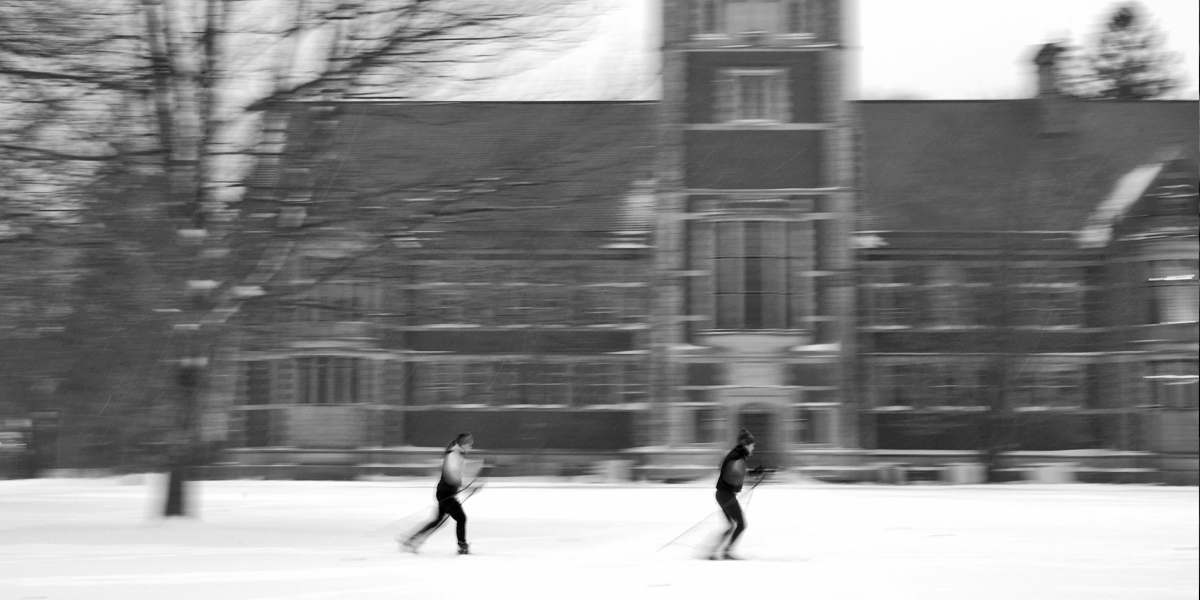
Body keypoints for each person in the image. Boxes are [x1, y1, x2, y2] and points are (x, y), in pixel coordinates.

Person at [403, 432, 475, 555]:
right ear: (463, 444)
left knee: (438, 520)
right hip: (446, 494)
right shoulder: (453, 455)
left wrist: (466, 485)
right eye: (469, 444)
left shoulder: (456, 454)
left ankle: (412, 540)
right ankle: (462, 546)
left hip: (445, 493)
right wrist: (466, 487)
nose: (471, 447)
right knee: (461, 519)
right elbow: (450, 475)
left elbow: (455, 475)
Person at [710, 428, 762, 560]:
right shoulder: (737, 456)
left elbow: (731, 470)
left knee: (731, 525)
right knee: (741, 524)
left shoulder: (736, 455)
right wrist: (747, 476)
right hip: (725, 495)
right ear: (746, 445)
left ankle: (713, 551)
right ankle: (726, 552)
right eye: (752, 445)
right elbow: (733, 473)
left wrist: (753, 474)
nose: (753, 448)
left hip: (723, 494)